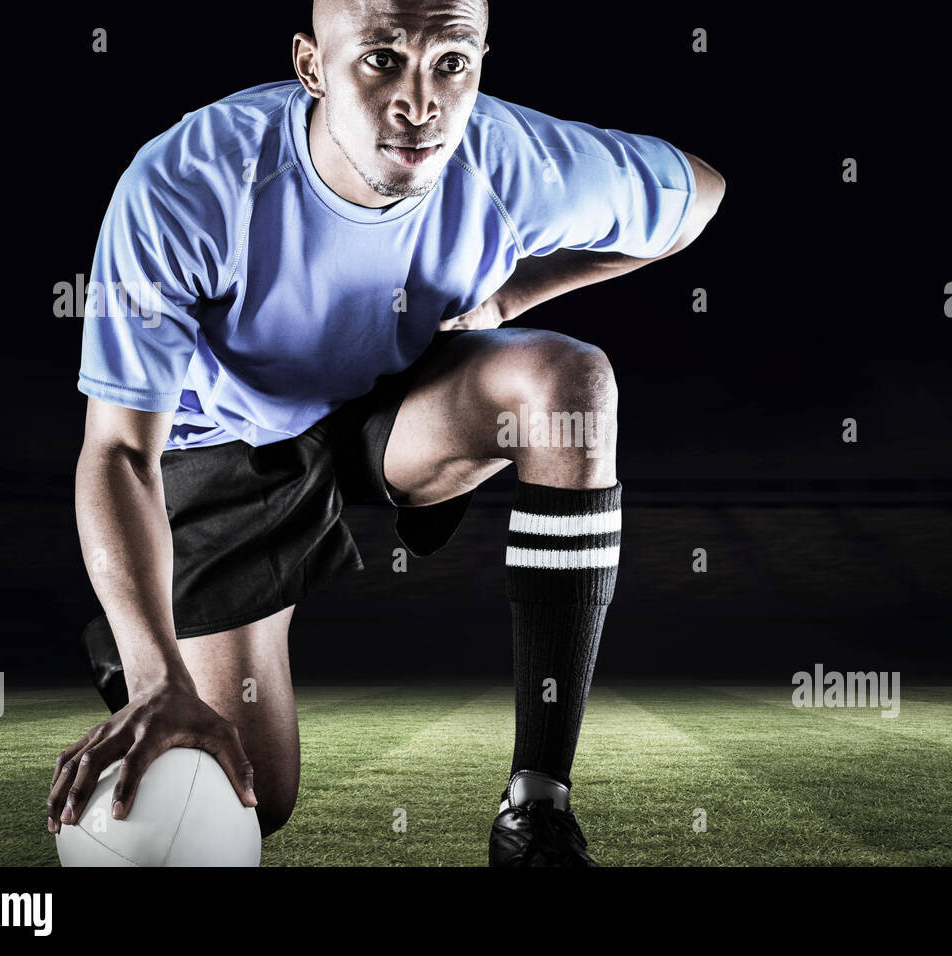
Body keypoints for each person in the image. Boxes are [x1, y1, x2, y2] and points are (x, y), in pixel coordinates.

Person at [49, 0, 724, 866]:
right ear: (311, 67)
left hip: (389, 404)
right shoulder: (186, 181)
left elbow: (700, 194)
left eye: (452, 62)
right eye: (380, 60)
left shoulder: (509, 161)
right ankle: (151, 663)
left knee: (570, 383)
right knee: (240, 799)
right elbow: (117, 451)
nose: (420, 101)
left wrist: (514, 298)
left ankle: (537, 809)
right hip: (223, 445)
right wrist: (158, 680)